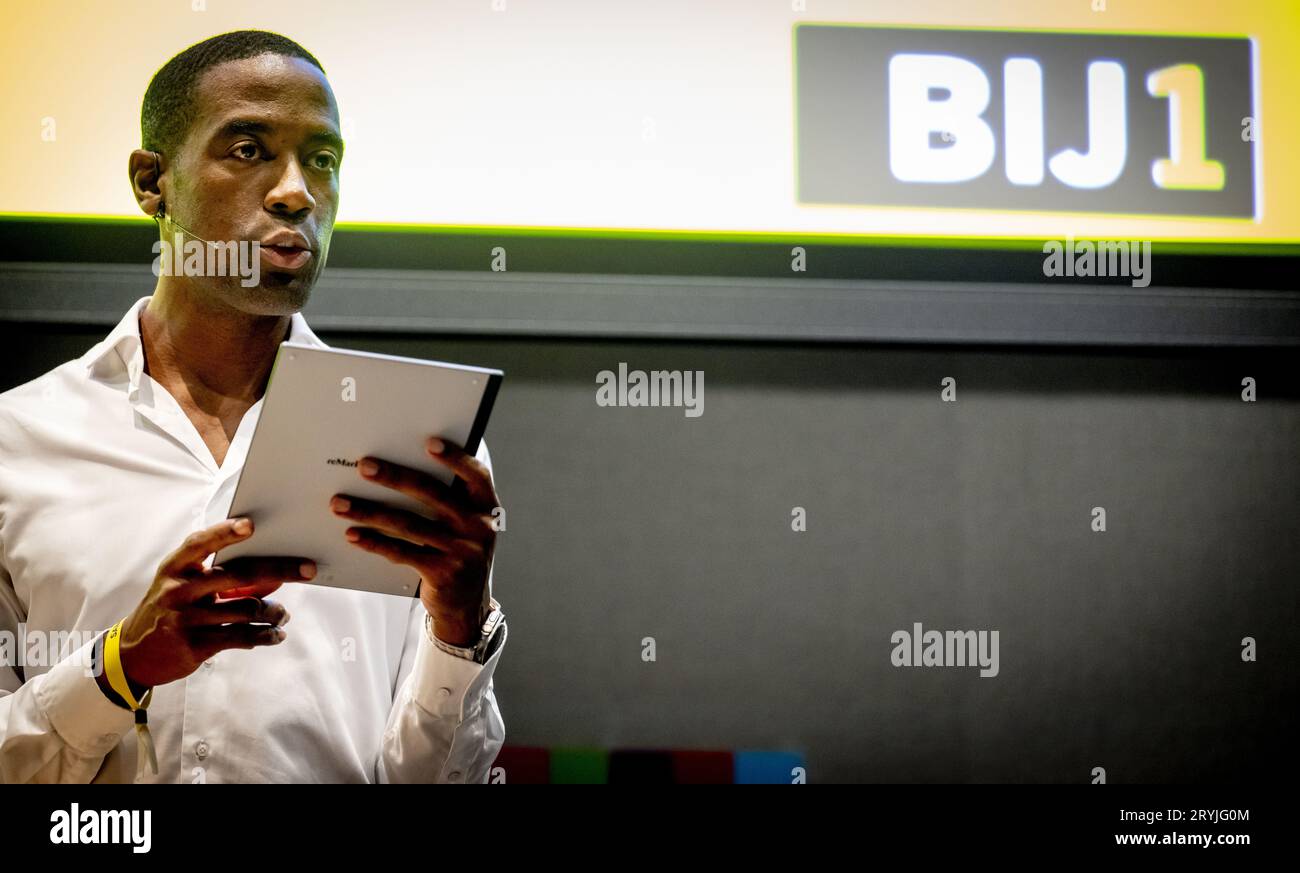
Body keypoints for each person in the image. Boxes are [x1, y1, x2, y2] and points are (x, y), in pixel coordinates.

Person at [0, 30, 507, 783]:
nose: (296, 192)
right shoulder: (18, 441)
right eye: (248, 149)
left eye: (323, 161)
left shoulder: (416, 452)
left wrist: (461, 627)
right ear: (152, 182)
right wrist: (120, 666)